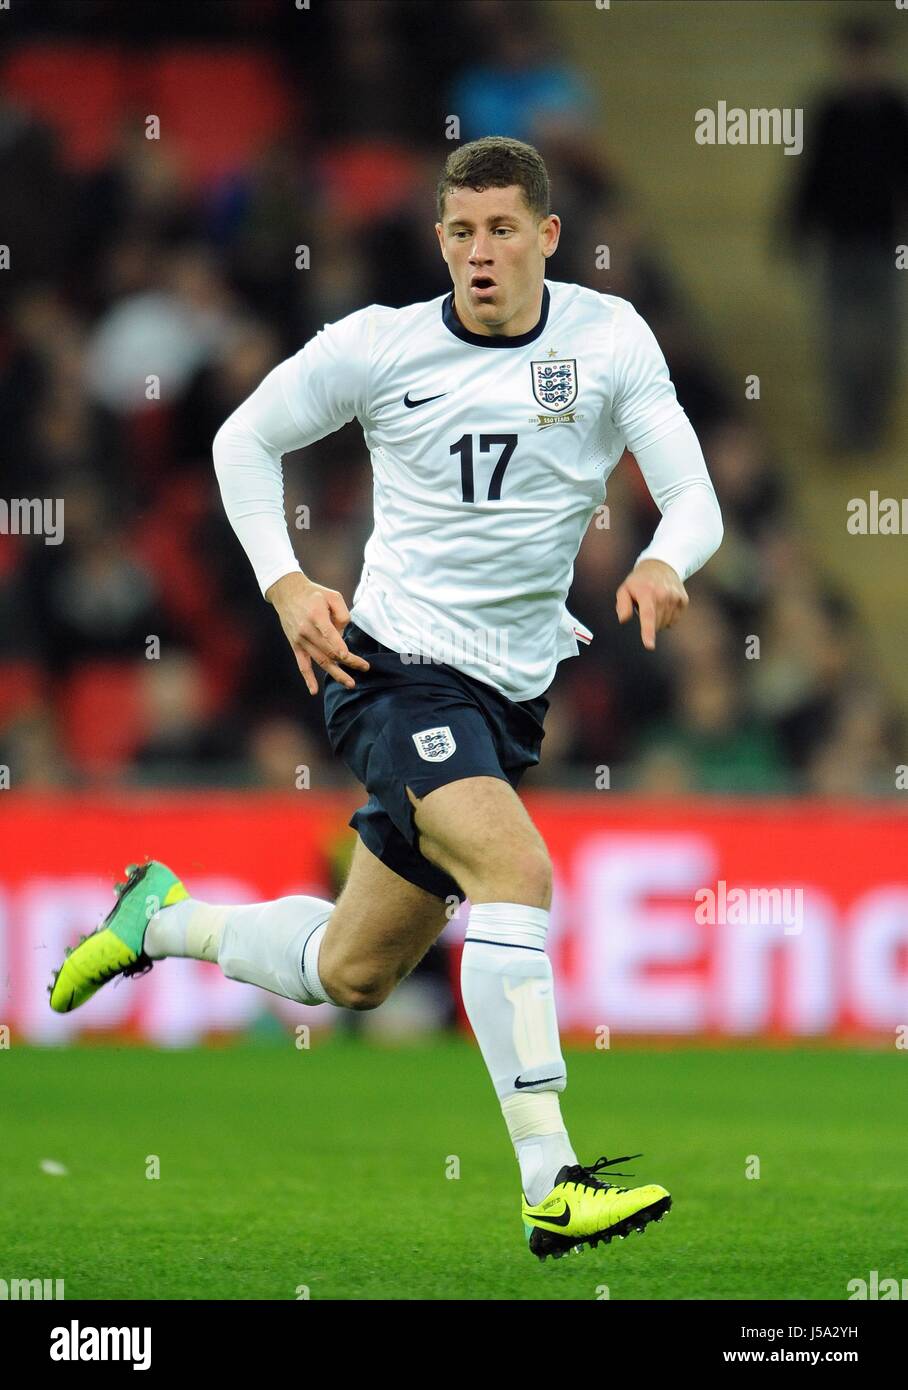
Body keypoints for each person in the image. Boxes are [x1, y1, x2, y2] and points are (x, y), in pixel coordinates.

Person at [49, 136, 723, 1261]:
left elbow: (692, 494)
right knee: (516, 870)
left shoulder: (607, 340)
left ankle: (153, 917)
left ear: (547, 237)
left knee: (352, 972)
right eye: (460, 231)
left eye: (503, 229)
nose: (480, 252)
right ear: (439, 240)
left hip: (505, 698)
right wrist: (282, 582)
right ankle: (551, 1180)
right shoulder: (379, 346)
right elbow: (240, 440)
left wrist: (664, 561)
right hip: (393, 671)